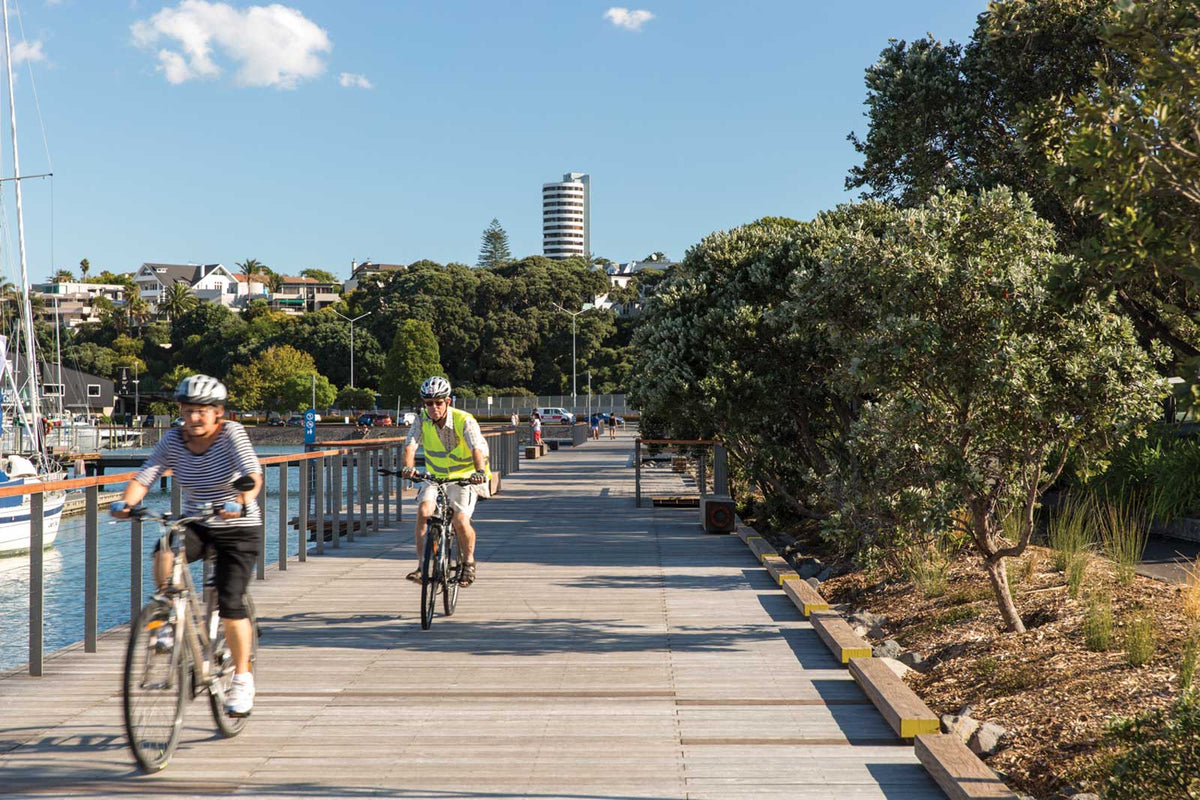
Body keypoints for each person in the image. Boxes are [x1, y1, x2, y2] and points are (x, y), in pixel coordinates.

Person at [111, 375, 263, 717]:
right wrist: (126, 503)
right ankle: (167, 613)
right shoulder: (173, 440)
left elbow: (252, 474)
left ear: (218, 413)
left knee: (230, 601)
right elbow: (146, 475)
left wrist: (241, 498)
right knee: (166, 544)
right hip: (198, 521)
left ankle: (242, 679)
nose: (194, 418)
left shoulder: (232, 435)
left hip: (237, 525)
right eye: (188, 410)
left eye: (203, 411)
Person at [401, 376, 488, 588]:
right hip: (435, 474)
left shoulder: (464, 420)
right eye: (429, 403)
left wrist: (479, 472)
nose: (433, 407)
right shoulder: (421, 420)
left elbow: (476, 448)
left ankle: (467, 562)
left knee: (460, 520)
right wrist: (408, 467)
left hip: (465, 476)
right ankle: (422, 567)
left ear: (447, 402)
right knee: (424, 511)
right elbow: (410, 446)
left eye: (438, 402)